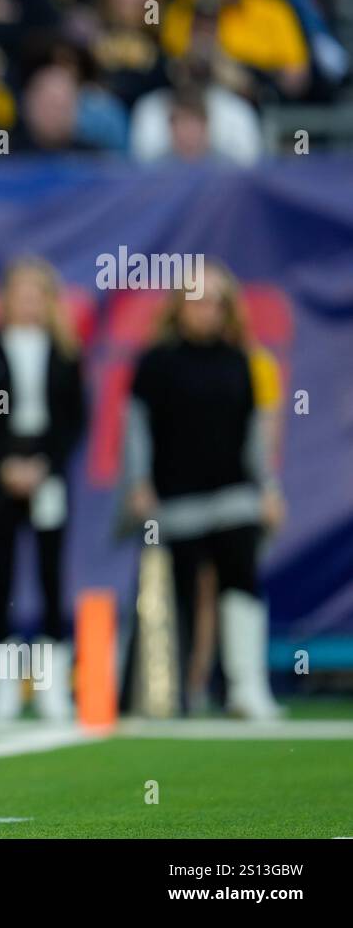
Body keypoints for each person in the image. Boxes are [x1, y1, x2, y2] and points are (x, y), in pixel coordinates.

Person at [123, 261, 284, 719]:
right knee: (175, 597)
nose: (206, 309)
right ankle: (174, 692)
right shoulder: (155, 362)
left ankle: (246, 690)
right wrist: (139, 484)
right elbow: (137, 430)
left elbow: (255, 436)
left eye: (216, 301)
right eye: (197, 299)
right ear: (178, 305)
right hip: (175, 504)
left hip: (234, 497)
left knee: (242, 585)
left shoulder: (241, 361)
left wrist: (268, 488)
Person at [0, 257, 87, 722]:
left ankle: (53, 686)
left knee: (51, 574)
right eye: (20, 293)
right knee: (3, 574)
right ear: (6, 299)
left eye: (37, 294)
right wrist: (6, 465)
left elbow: (75, 421)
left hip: (47, 468)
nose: (28, 302)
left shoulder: (64, 352)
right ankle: (3, 689)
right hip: (3, 469)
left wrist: (44, 466)